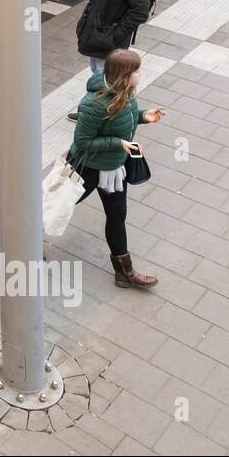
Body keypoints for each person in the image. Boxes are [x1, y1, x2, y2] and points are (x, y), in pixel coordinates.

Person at [69, 49, 165, 289]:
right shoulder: (93, 104)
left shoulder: (127, 93)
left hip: (113, 168)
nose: (140, 74)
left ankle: (124, 272)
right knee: (60, 203)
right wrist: (119, 144)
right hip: (88, 167)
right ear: (125, 75)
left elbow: (126, 118)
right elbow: (82, 142)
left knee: (117, 215)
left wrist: (145, 116)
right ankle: (23, 238)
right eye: (136, 71)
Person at [69, 0, 152, 121]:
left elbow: (140, 11)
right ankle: (107, 112)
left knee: (106, 78)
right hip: (96, 31)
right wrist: (85, 20)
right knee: (100, 74)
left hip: (110, 36)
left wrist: (115, 35)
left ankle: (103, 115)